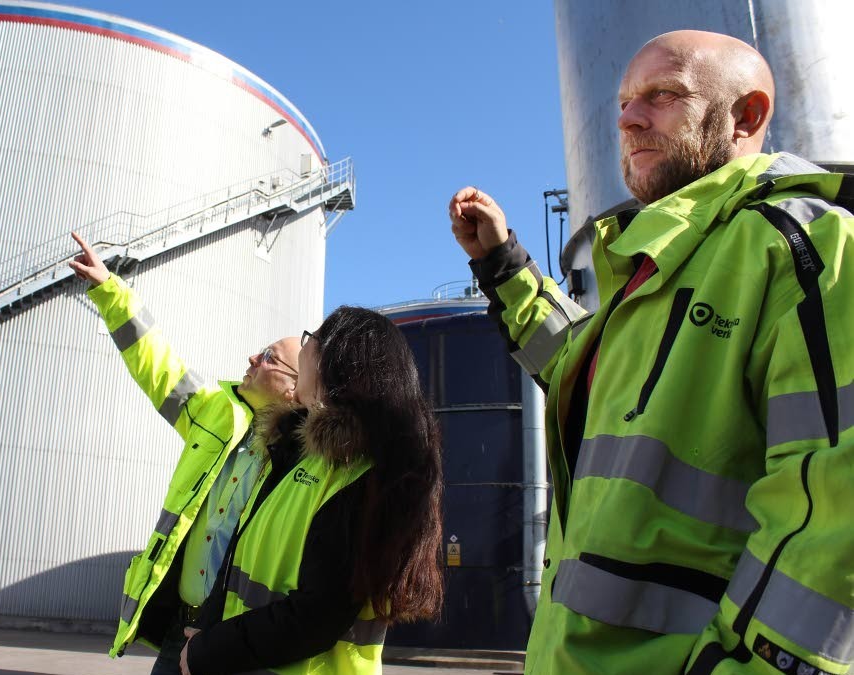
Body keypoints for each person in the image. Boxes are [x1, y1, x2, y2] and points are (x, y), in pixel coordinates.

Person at [449, 30, 853, 675]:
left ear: (746, 116)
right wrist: (502, 264)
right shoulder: (648, 271)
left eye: (663, 96)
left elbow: (839, 511)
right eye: (624, 102)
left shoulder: (804, 248)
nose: (629, 119)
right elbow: (576, 368)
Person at [68, 232, 303, 674]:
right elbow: (158, 365)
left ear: (294, 388)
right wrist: (110, 290)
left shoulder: (304, 460)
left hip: (237, 636)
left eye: (269, 356)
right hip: (182, 626)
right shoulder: (215, 411)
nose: (252, 357)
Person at [177, 306, 445, 674]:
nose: (304, 350)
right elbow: (243, 568)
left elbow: (318, 615)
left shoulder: (361, 477)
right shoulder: (299, 456)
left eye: (311, 340)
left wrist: (210, 650)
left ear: (337, 365)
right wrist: (209, 632)